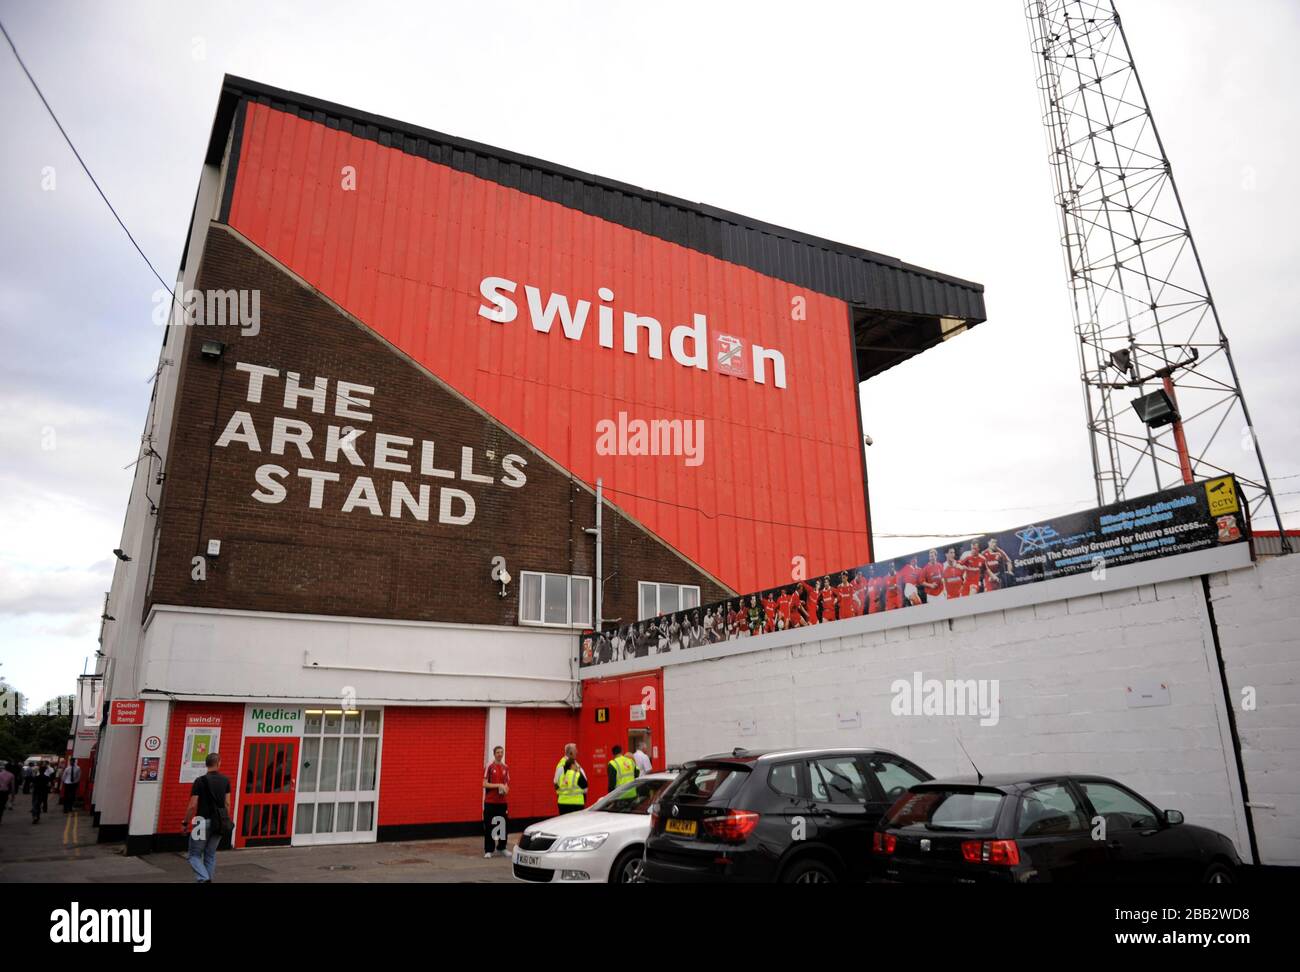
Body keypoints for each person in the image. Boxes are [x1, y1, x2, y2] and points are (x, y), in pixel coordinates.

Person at [182, 752, 231, 883]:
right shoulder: (225, 780)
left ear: (206, 764)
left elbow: (192, 805)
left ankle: (203, 878)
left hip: (200, 822)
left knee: (194, 855)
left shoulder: (199, 781)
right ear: (218, 763)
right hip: (218, 823)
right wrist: (225, 820)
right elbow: (227, 803)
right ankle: (207, 879)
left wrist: (185, 822)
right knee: (210, 854)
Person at [482, 745, 510, 858]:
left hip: (502, 802)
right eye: (498, 752)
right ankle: (489, 850)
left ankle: (502, 847)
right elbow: (484, 784)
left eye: (501, 752)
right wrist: (498, 785)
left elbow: (507, 784)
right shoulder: (489, 766)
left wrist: (505, 790)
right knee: (489, 826)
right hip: (490, 802)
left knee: (503, 825)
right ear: (494, 754)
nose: (500, 754)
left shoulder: (506, 767)